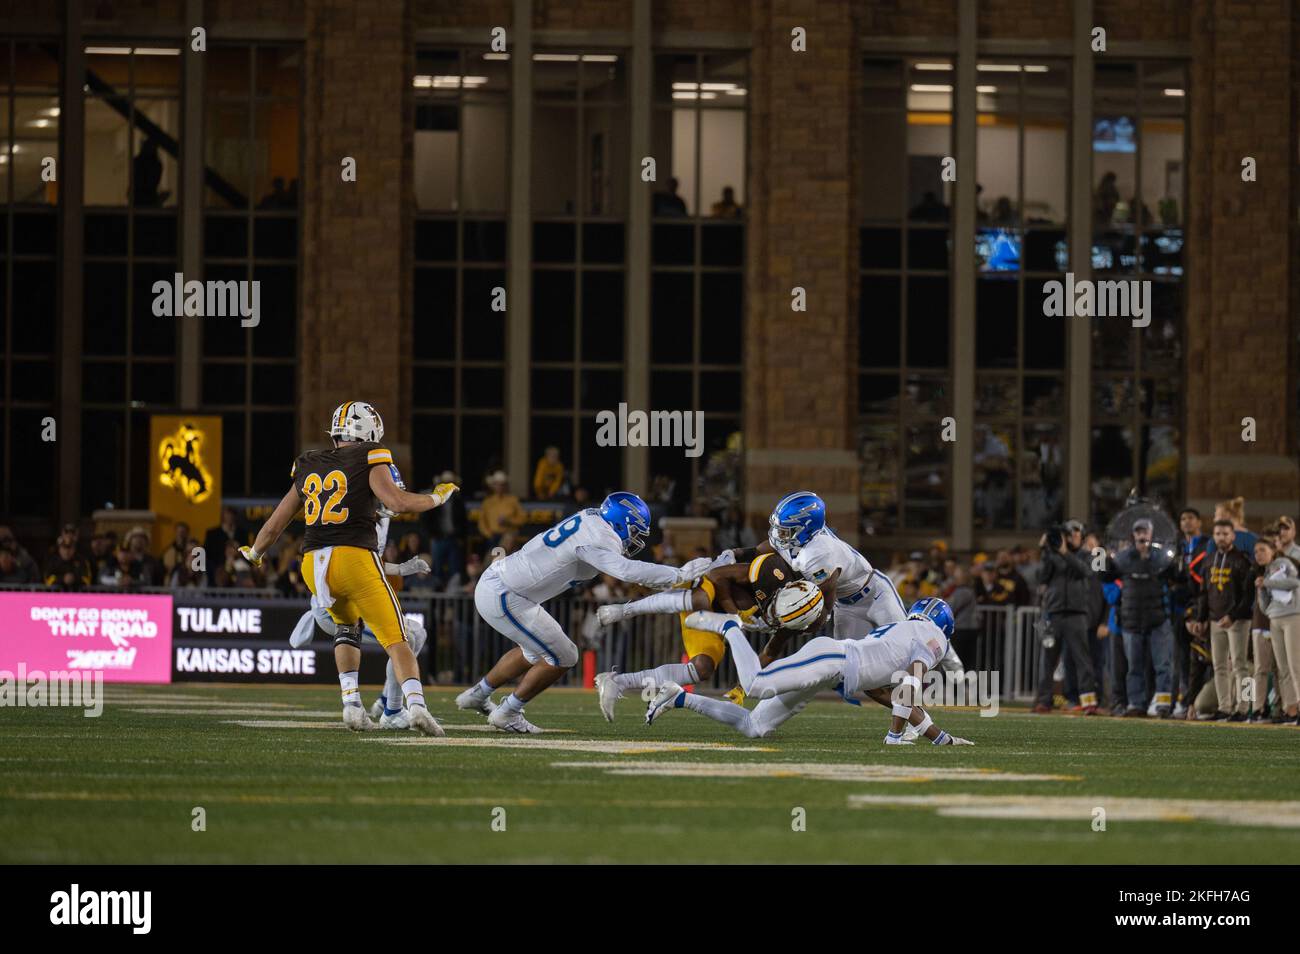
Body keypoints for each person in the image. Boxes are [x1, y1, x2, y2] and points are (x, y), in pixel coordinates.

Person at [239, 400, 458, 736]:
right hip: (353, 556)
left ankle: (352, 705)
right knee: (399, 638)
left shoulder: (309, 462)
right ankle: (415, 707)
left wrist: (255, 553)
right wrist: (437, 498)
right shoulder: (372, 455)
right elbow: (398, 502)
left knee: (346, 628)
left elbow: (275, 523)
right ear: (370, 432)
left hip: (313, 564)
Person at [454, 492, 709, 733]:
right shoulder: (600, 536)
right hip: (506, 594)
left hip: (509, 588)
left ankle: (478, 694)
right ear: (621, 523)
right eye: (634, 532)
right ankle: (508, 711)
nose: (635, 540)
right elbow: (627, 571)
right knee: (563, 656)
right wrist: (678, 574)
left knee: (533, 653)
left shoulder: (592, 517)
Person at [645, 597, 973, 745]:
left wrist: (939, 737)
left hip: (833, 669)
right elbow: (909, 688)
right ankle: (731, 627)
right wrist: (895, 734)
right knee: (756, 684)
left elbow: (884, 692)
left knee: (754, 726)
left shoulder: (903, 634)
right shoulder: (933, 640)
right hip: (831, 660)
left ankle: (678, 699)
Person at [593, 548, 803, 718]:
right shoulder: (770, 574)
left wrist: (742, 687)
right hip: (705, 585)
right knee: (699, 599)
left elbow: (769, 652)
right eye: (779, 611)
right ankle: (624, 610)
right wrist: (733, 613)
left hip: (714, 620)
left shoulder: (795, 619)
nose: (777, 618)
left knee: (703, 668)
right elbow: (717, 575)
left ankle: (616, 682)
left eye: (785, 619)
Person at [1099, 518, 1177, 717]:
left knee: (1162, 665)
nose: (1142, 536)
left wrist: (1178, 558)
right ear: (1133, 535)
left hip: (1157, 619)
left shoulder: (1161, 558)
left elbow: (1177, 576)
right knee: (1134, 666)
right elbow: (1102, 576)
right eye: (1139, 532)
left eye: (1145, 532)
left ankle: (1163, 704)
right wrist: (1101, 556)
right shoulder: (1124, 558)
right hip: (1131, 621)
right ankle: (1136, 704)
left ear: (1151, 534)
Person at [1033, 521, 1100, 714]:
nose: (1073, 536)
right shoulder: (1052, 555)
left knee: (1082, 659)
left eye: (1076, 532)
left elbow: (1085, 571)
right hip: (1053, 613)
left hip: (1077, 614)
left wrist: (1064, 553)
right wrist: (1045, 550)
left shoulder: (1087, 555)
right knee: (1048, 660)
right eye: (1069, 533)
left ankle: (1088, 702)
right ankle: (1044, 701)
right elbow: (1042, 577)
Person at [1191, 518, 1254, 721]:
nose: (1221, 537)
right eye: (1217, 534)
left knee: (1240, 664)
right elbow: (1203, 592)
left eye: (1225, 534)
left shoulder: (1242, 560)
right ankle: (1225, 706)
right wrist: (1201, 617)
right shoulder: (1209, 560)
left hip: (1238, 620)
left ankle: (1245, 707)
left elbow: (1248, 594)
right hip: (1215, 620)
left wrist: (1233, 615)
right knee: (1219, 665)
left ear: (1233, 536)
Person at [1256, 535, 1300, 725]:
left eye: (1262, 550)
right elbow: (1265, 605)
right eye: (1256, 552)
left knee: (1295, 665)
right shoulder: (1265, 572)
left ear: (1273, 551)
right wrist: (1261, 590)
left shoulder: (1283, 563)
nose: (1258, 554)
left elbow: (1293, 583)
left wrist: (1266, 584)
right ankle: (1290, 709)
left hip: (1292, 616)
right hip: (1275, 619)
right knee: (1282, 668)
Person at [476, 470, 526, 553]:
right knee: (492, 561)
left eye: (502, 485)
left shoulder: (513, 500)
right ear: (493, 486)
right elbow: (482, 522)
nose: (500, 487)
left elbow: (522, 518)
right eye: (497, 484)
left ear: (506, 486)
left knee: (505, 555)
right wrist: (489, 535)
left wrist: (509, 521)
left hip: (508, 537)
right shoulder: (487, 502)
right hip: (493, 537)